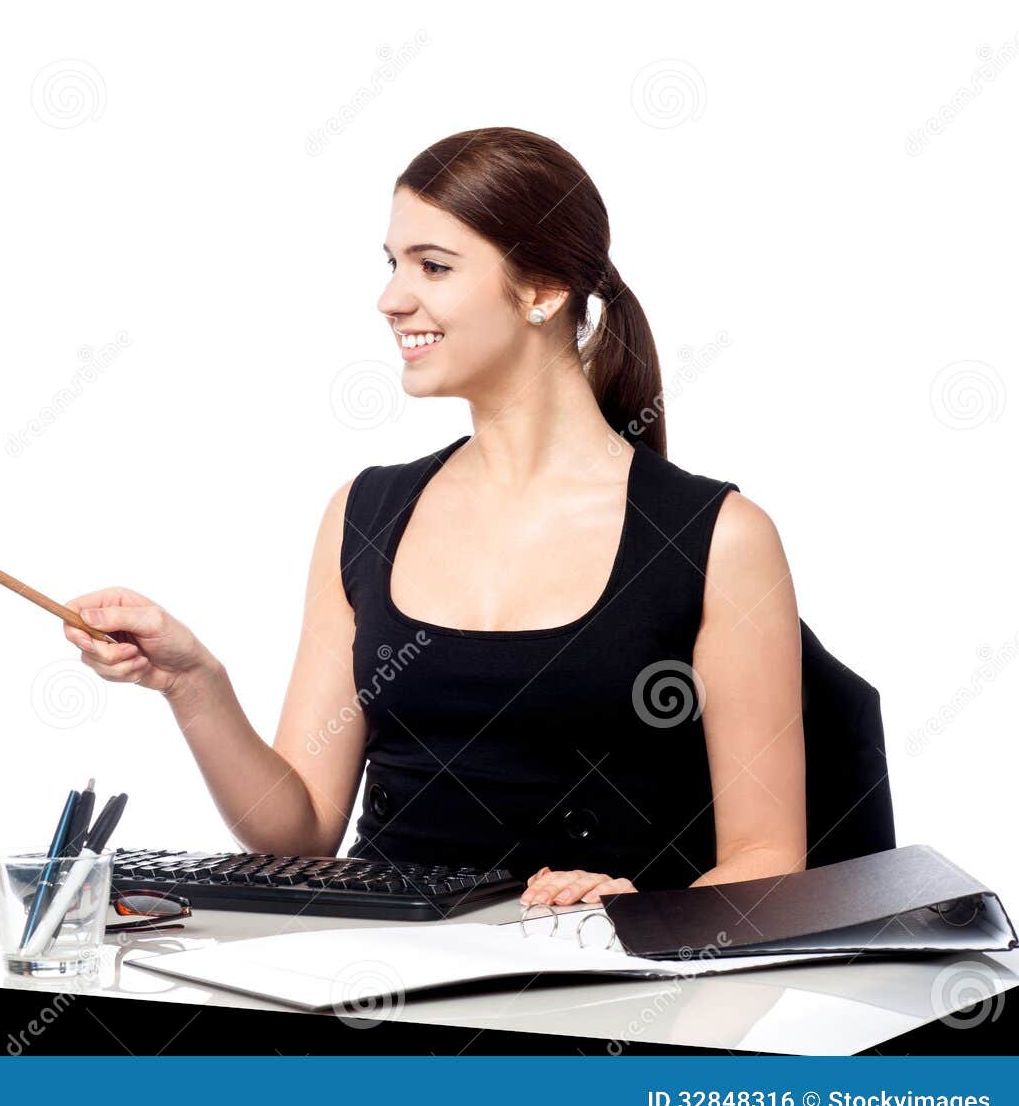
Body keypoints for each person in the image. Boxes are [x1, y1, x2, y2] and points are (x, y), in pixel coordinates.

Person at [62, 127, 806, 907]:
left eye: (433, 266)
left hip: (591, 992)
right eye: (393, 263)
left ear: (543, 290)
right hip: (375, 976)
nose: (392, 298)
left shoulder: (718, 537)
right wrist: (194, 684)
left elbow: (768, 858)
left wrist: (635, 907)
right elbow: (303, 832)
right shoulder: (365, 511)